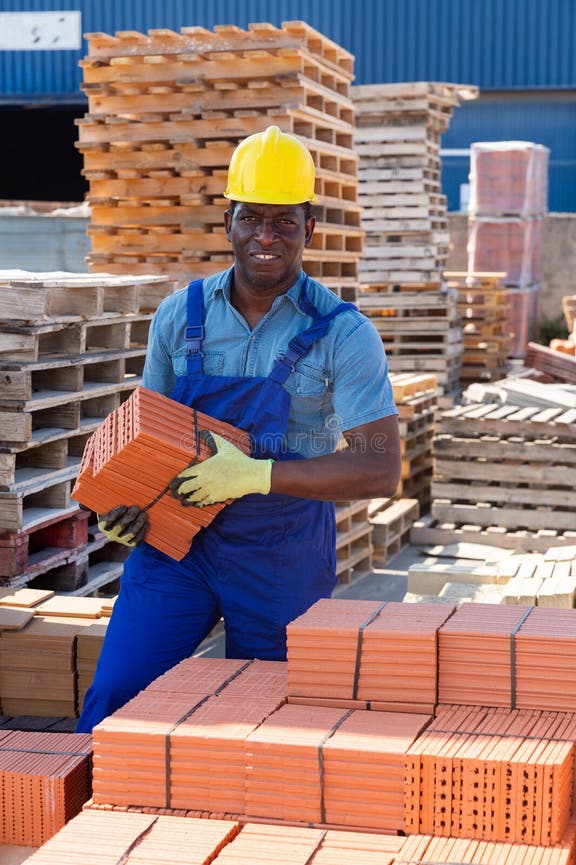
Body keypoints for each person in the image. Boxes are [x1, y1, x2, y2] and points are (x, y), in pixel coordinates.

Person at [77, 125, 400, 733]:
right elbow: (144, 434)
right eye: (252, 218)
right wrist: (122, 506)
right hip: (178, 545)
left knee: (271, 720)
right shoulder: (181, 315)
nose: (266, 237)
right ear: (229, 222)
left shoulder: (343, 333)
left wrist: (255, 475)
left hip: (281, 551)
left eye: (283, 222)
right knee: (118, 694)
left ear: (310, 227)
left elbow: (379, 468)